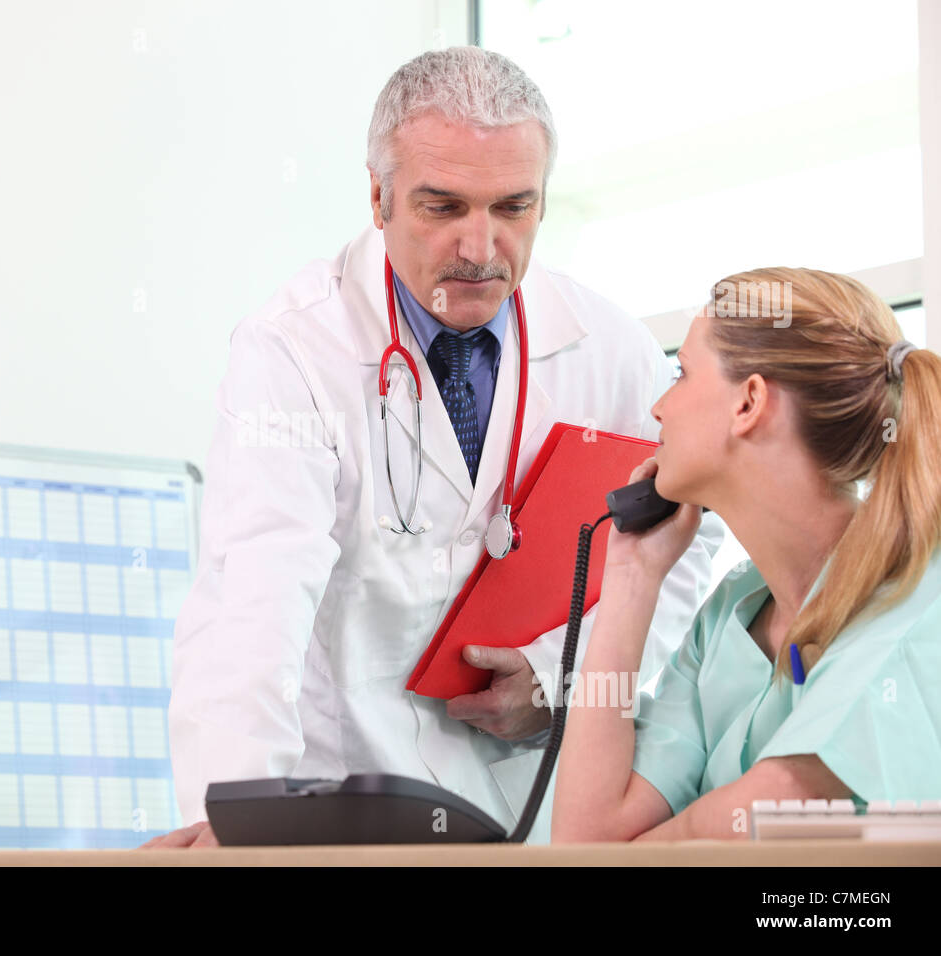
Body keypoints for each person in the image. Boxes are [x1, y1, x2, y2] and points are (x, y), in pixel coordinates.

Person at [144, 47, 721, 849]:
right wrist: (234, 821)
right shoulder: (294, 350)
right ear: (377, 198)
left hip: (537, 803)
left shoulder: (610, 347)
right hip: (347, 801)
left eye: (513, 207)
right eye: (442, 207)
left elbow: (682, 544)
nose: (481, 247)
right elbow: (253, 598)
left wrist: (559, 677)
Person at [552, 267, 941, 841]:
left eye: (682, 374)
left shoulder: (916, 606)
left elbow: (743, 823)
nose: (660, 407)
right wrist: (633, 577)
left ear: (749, 403)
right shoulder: (731, 613)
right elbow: (584, 838)